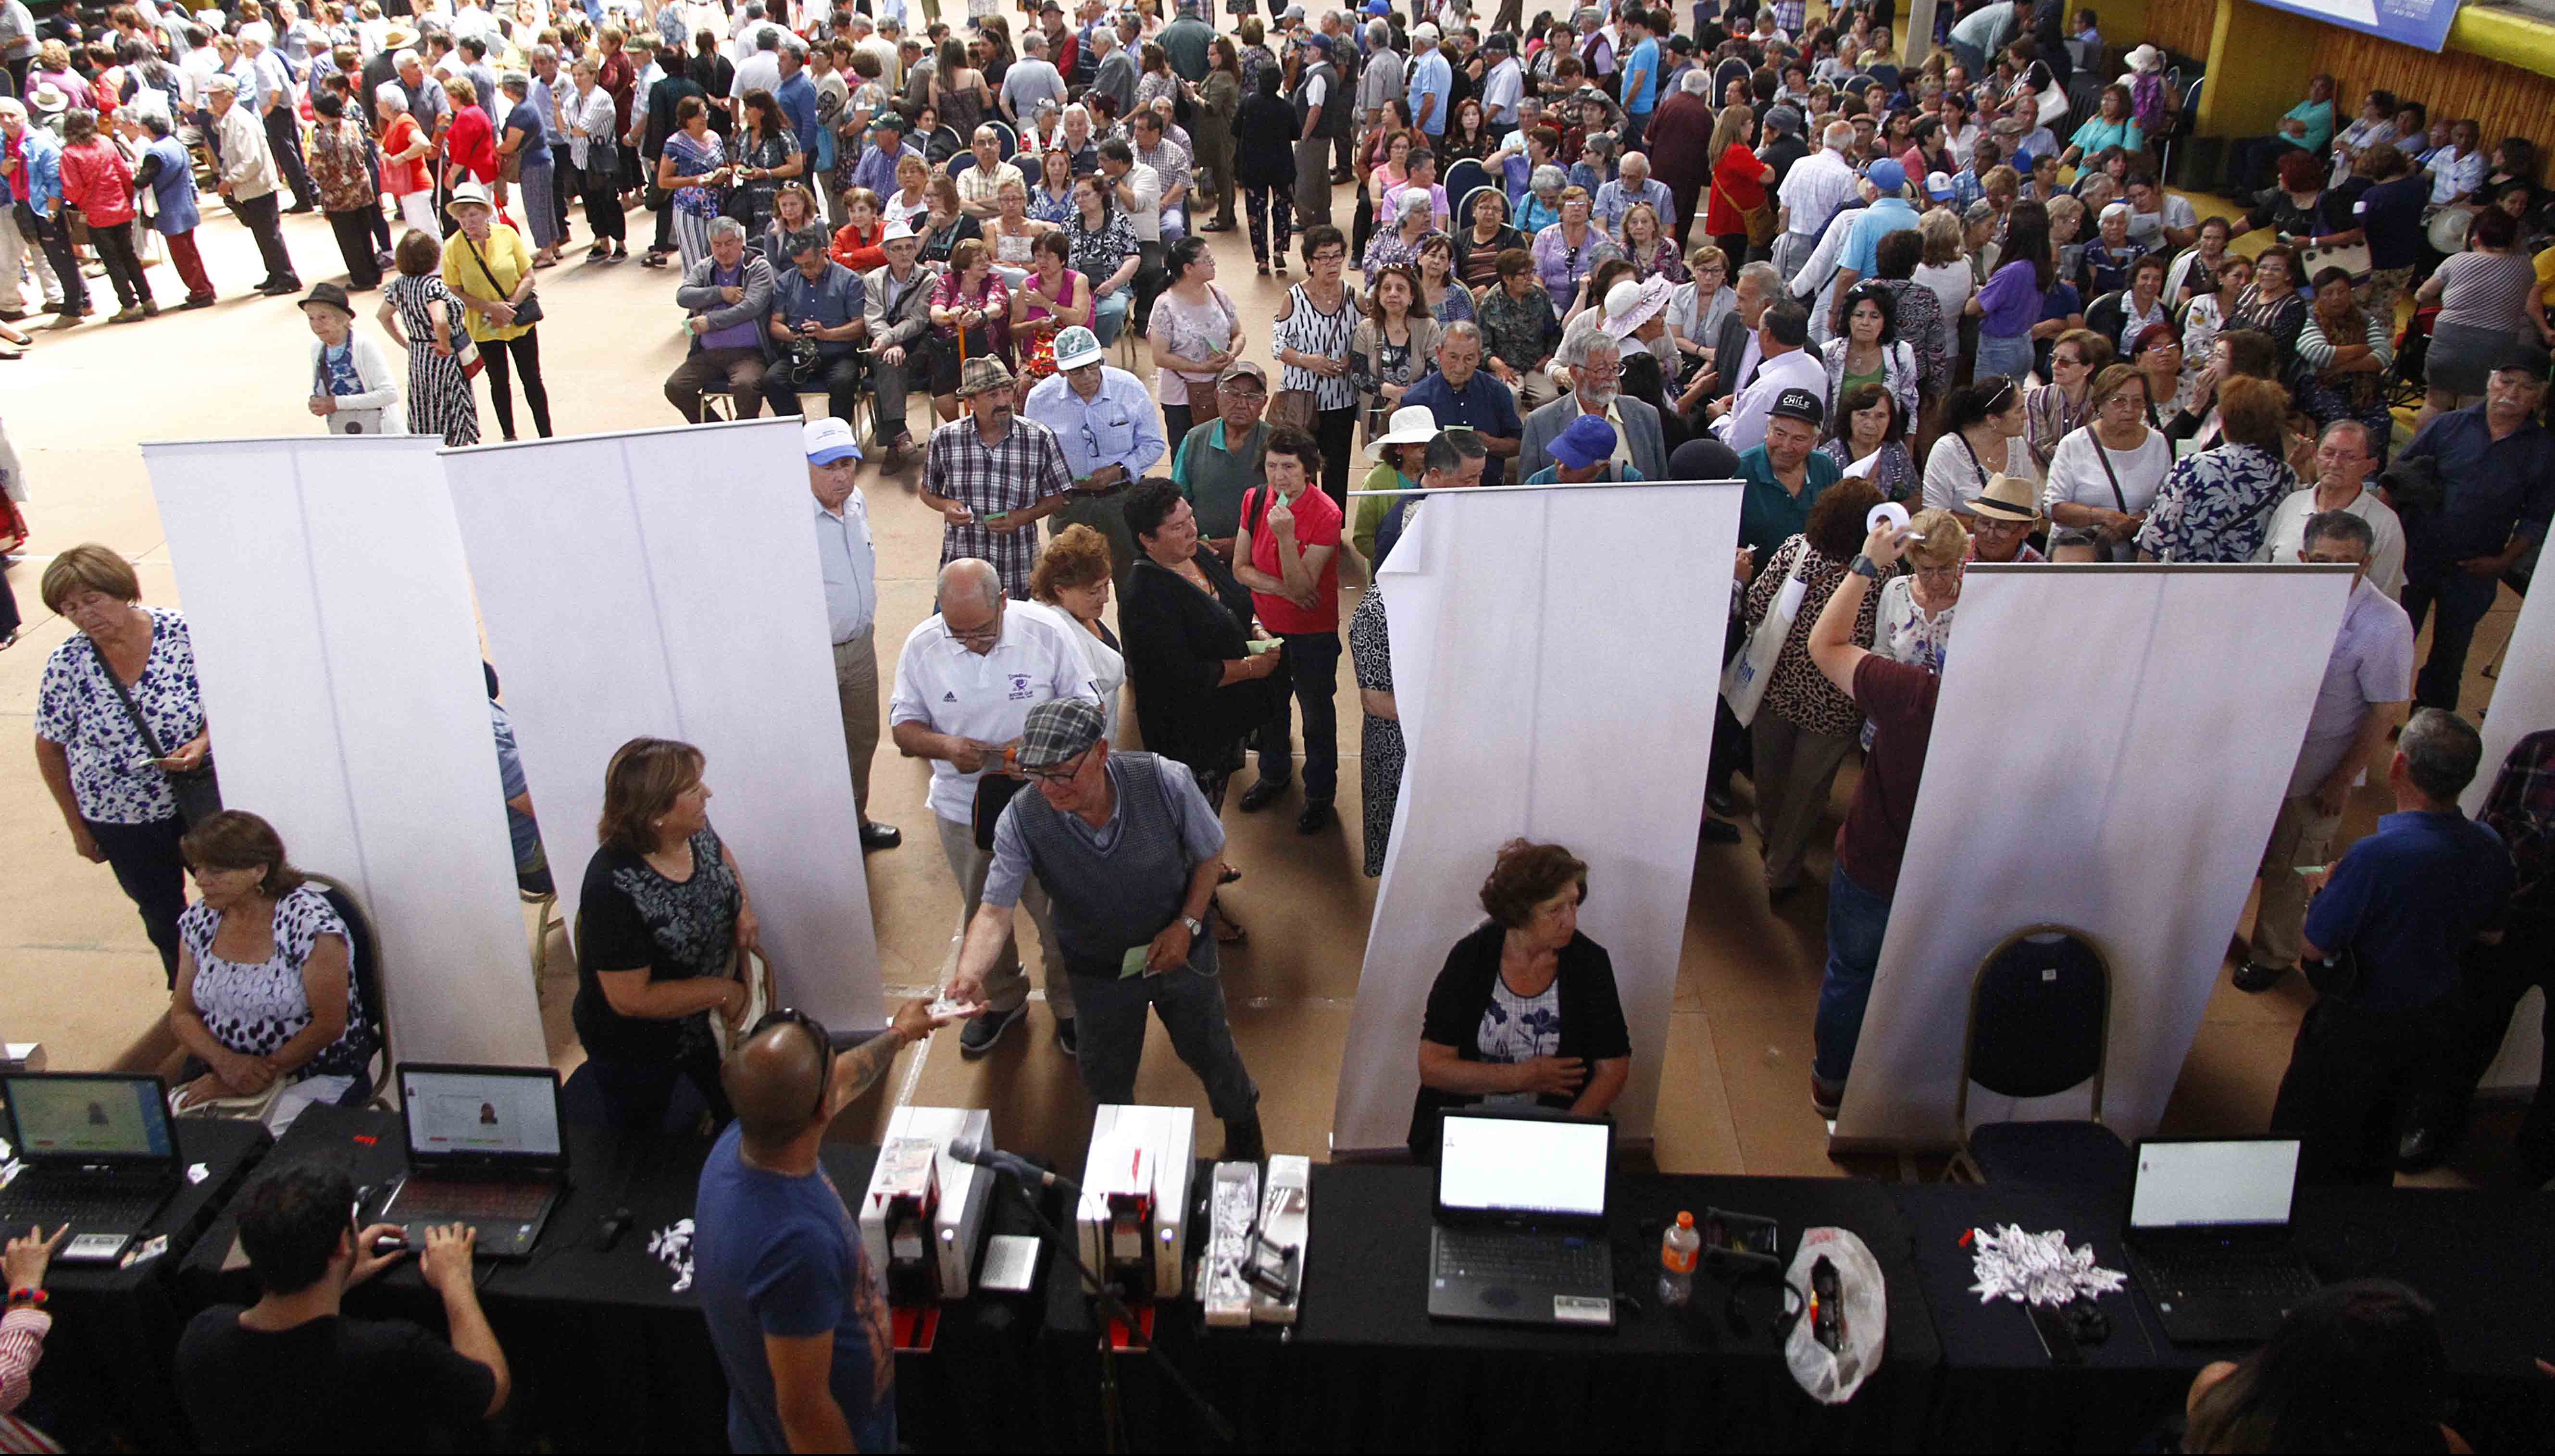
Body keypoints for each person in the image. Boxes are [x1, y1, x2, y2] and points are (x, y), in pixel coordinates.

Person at [948, 696, 1265, 1157]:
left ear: (1101, 752)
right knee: (1104, 1073)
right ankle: (1122, 1161)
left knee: (1211, 1051)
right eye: (1038, 774)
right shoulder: (1022, 817)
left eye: (1063, 773)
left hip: (1182, 954)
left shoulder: (1164, 781)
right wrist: (971, 974)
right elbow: (995, 910)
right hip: (1098, 970)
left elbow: (1208, 856)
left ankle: (1244, 1133)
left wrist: (1187, 925)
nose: (1050, 789)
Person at [2271, 709, 2513, 1185]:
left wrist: (2325, 890)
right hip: (2431, 1019)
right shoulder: (2487, 846)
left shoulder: (2376, 856)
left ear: (2398, 765)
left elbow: (2314, 945)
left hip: (2357, 1025)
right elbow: (2492, 933)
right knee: (2379, 1136)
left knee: (2307, 1141)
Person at [694, 998, 938, 1456]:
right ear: (823, 1108)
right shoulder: (795, 1246)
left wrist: (899, 1034)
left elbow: (832, 1081)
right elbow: (803, 1412)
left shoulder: (740, 1138)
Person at [174, 1165, 507, 1453]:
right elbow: (492, 1394)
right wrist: (455, 1281)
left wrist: (337, 1276)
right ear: (344, 1243)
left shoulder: (201, 1338)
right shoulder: (392, 1351)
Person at [2235, 510, 2415, 1000]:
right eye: (2321, 560)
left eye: (2346, 562)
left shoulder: (2385, 624)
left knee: (2291, 867)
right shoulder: (2282, 599)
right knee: (2237, 856)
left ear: (2367, 561)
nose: (2334, 570)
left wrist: (2341, 778)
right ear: (2301, 557)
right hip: (2257, 759)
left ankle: (2271, 955)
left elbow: (2383, 712)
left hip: (2317, 768)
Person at [1802, 510, 1942, 1117]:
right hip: (1958, 876)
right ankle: (1905, 1096)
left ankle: (1831, 1088)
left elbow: (1824, 644)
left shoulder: (1911, 694)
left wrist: (1865, 561)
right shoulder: (2027, 716)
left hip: (1877, 859)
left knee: (1851, 972)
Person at [33, 547, 210, 985]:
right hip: (120, 816)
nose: (84, 615)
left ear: (122, 590)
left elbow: (235, 703)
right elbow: (49, 748)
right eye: (70, 608)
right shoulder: (67, 664)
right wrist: (78, 826)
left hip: (200, 804)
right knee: (160, 912)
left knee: (233, 897)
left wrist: (204, 742)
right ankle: (188, 996)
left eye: (92, 599)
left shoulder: (183, 633)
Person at [573, 735, 766, 1132]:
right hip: (641, 1047)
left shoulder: (691, 827)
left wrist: (743, 908)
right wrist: (724, 991)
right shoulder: (610, 888)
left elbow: (719, 852)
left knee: (734, 1112)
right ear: (655, 813)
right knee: (653, 1150)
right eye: (694, 790)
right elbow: (630, 998)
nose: (707, 794)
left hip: (707, 1027)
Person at [1409, 837, 1631, 1157]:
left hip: (1559, 1122)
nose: (1570, 920)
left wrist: (1563, 1140)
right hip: (1469, 1121)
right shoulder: (1471, 957)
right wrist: (1521, 1076)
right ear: (1519, 914)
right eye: (1555, 909)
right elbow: (1432, 1067)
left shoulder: (1589, 963)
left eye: (1573, 903)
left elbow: (1613, 1070)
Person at [165, 809, 378, 1117]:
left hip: (312, 1072)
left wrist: (255, 1074)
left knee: (259, 1149)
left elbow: (329, 1025)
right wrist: (228, 1066)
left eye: (216, 872)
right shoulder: (199, 920)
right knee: (178, 1142)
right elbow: (182, 1014)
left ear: (259, 871)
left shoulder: (310, 922)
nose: (201, 881)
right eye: (198, 869)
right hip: (222, 1073)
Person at [2390, 348, 2555, 712]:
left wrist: (2503, 561)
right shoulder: (2447, 425)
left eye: (2526, 387)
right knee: (2394, 644)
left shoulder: (2544, 450)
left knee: (2450, 656)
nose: (2511, 392)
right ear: (2489, 381)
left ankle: (2429, 730)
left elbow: (2538, 517)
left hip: (2474, 570)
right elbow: (2396, 480)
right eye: (2505, 381)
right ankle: (2373, 717)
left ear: (2539, 395)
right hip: (2416, 556)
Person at [1745, 478, 1885, 898]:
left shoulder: (1794, 551)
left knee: (1768, 776)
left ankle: (1770, 836)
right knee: (1808, 793)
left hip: (1777, 687)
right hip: (1837, 703)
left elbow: (1755, 604)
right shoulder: (1882, 575)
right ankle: (1782, 870)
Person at [1229, 427, 1342, 834]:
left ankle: (1319, 794)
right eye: (1273, 466)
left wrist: (1286, 537)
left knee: (1315, 714)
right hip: (1266, 628)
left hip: (1312, 634)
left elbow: (1305, 588)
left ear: (1309, 469)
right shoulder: (1254, 500)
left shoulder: (1327, 513)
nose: (1279, 476)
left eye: (1289, 467)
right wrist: (1280, 589)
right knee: (1270, 707)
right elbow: (1240, 569)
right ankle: (1274, 775)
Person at [800, 418, 900, 855]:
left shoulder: (856, 502)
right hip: (813, 657)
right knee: (817, 748)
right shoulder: (790, 520)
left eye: (848, 464)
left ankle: (856, 822)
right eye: (828, 467)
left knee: (861, 738)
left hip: (860, 646)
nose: (842, 476)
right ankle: (821, 835)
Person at [1022, 325, 1162, 594]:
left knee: (1132, 582)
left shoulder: (1129, 389)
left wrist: (1119, 471)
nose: (1087, 376)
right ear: (1061, 371)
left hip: (1121, 500)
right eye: (1076, 371)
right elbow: (1034, 455)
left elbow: (1152, 444)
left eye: (1092, 366)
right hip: (1070, 506)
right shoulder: (1041, 400)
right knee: (1071, 585)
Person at [921, 357, 1074, 600]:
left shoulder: (1039, 438)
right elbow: (928, 491)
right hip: (962, 567)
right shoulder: (945, 439)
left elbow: (1060, 496)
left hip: (1018, 569)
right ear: (970, 401)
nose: (1003, 401)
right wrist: (946, 506)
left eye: (1007, 391)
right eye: (992, 395)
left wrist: (1022, 517)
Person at [2135, 374, 2297, 563]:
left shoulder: (2191, 467)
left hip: (2188, 584)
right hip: (2253, 585)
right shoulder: (2286, 477)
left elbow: (2154, 542)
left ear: (2225, 419)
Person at [2413, 206, 2543, 435]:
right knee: (2473, 407)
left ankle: (2419, 450)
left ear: (2476, 237)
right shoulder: (2525, 268)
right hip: (2495, 344)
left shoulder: (2456, 261)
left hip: (2450, 337)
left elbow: (2421, 294)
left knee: (2434, 402)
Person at [442, 182, 551, 442]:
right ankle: (509, 435)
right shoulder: (452, 247)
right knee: (499, 382)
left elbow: (528, 275)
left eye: (473, 214)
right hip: (484, 326)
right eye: (462, 215)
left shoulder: (507, 234)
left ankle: (546, 435)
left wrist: (509, 308)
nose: (468, 221)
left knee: (532, 379)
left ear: (484, 212)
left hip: (518, 321)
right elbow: (454, 289)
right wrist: (490, 309)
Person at [2257, 422, 2406, 598]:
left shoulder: (2385, 524)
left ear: (2370, 466)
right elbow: (2261, 567)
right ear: (2314, 455)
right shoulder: (2292, 503)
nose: (2335, 464)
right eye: (2328, 453)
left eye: (2349, 457)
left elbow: (2386, 596)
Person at [2041, 364, 2166, 561]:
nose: (2129, 410)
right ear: (2099, 405)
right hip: (2080, 556)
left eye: (2137, 402)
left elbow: (2165, 503)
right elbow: (2054, 507)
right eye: (2119, 401)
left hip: (2137, 556)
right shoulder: (2074, 444)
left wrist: (2133, 523)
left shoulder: (2157, 442)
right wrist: (2104, 517)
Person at [1027, 524, 1131, 745]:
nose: (1105, 598)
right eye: (1093, 591)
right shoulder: (1048, 632)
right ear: (1060, 589)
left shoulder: (1079, 612)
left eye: (1106, 586)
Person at [667, 217, 777, 422]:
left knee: (745, 386)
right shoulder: (705, 267)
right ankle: (716, 430)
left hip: (749, 354)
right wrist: (720, 293)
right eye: (717, 245)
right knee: (676, 387)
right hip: (708, 353)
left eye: (729, 244)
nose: (723, 250)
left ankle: (744, 431)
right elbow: (683, 296)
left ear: (740, 241)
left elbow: (751, 308)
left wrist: (710, 322)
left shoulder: (759, 267)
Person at [1171, 359, 1273, 560]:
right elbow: (1177, 501)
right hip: (1202, 552)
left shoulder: (1277, 445)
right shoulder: (1195, 439)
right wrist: (1194, 542)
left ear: (1264, 403)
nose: (1241, 404)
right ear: (1217, 395)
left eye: (1252, 396)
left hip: (1262, 553)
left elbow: (1290, 506)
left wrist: (1241, 544)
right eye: (1233, 393)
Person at [207, 75, 299, 297]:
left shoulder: (240, 122)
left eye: (215, 96)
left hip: (258, 187)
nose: (211, 101)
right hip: (250, 187)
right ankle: (276, 273)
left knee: (269, 233)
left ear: (229, 96)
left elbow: (252, 160)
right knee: (262, 233)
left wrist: (230, 180)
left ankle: (286, 277)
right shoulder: (229, 121)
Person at [1152, 232, 1247, 443]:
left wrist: (1231, 355)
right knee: (1186, 450)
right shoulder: (1165, 305)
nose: (1213, 264)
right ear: (1188, 269)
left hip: (1220, 388)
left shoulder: (1218, 294)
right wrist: (1202, 368)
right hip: (1180, 394)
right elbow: (1160, 357)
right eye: (1207, 261)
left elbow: (1238, 334)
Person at [1403, 322, 1527, 483]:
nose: (1460, 368)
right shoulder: (1416, 400)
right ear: (1439, 353)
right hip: (1434, 495)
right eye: (1453, 357)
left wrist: (1490, 444)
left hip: (1486, 491)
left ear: (1479, 357)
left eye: (1469, 359)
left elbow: (1518, 444)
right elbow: (1404, 457)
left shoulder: (1497, 392)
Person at [861, 217, 939, 464]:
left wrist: (889, 338)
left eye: (909, 247)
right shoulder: (872, 280)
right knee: (888, 363)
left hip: (917, 344)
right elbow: (873, 319)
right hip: (883, 345)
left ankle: (894, 443)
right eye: (898, 248)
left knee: (889, 364)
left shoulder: (928, 279)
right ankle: (899, 435)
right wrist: (889, 343)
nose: (905, 253)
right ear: (886, 253)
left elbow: (918, 320)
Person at [1710, 301, 1825, 456]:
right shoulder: (1816, 367)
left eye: (1759, 329)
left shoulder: (1766, 389)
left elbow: (1738, 446)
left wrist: (1720, 417)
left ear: (1767, 335)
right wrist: (1743, 401)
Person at [1921, 376, 2033, 516]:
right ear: (1993, 419)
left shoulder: (2017, 444)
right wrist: (1985, 525)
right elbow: (1933, 514)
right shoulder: (1947, 450)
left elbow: (2032, 501)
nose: (2026, 416)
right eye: (2019, 410)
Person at [300, 283, 403, 434]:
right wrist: (317, 403)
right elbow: (324, 391)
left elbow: (389, 394)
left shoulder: (364, 345)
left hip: (380, 431)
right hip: (344, 431)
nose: (316, 325)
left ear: (343, 319)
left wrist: (337, 403)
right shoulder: (318, 349)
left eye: (323, 317)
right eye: (311, 318)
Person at [1063, 170, 1142, 347]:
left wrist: (1113, 284)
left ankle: (1094, 350)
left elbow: (1133, 259)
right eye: (1076, 197)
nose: (1080, 200)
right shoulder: (1068, 225)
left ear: (1100, 195)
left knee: (1112, 310)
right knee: (1066, 312)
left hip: (1112, 286)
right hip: (1076, 289)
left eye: (1085, 195)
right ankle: (1078, 351)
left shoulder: (1121, 222)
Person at [1234, 62, 1297, 274]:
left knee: (1256, 213)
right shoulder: (1286, 107)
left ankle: (1262, 258)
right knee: (1282, 209)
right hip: (1282, 166)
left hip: (1254, 167)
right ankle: (1280, 248)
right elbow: (1296, 133)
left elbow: (1235, 129)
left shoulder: (1248, 103)